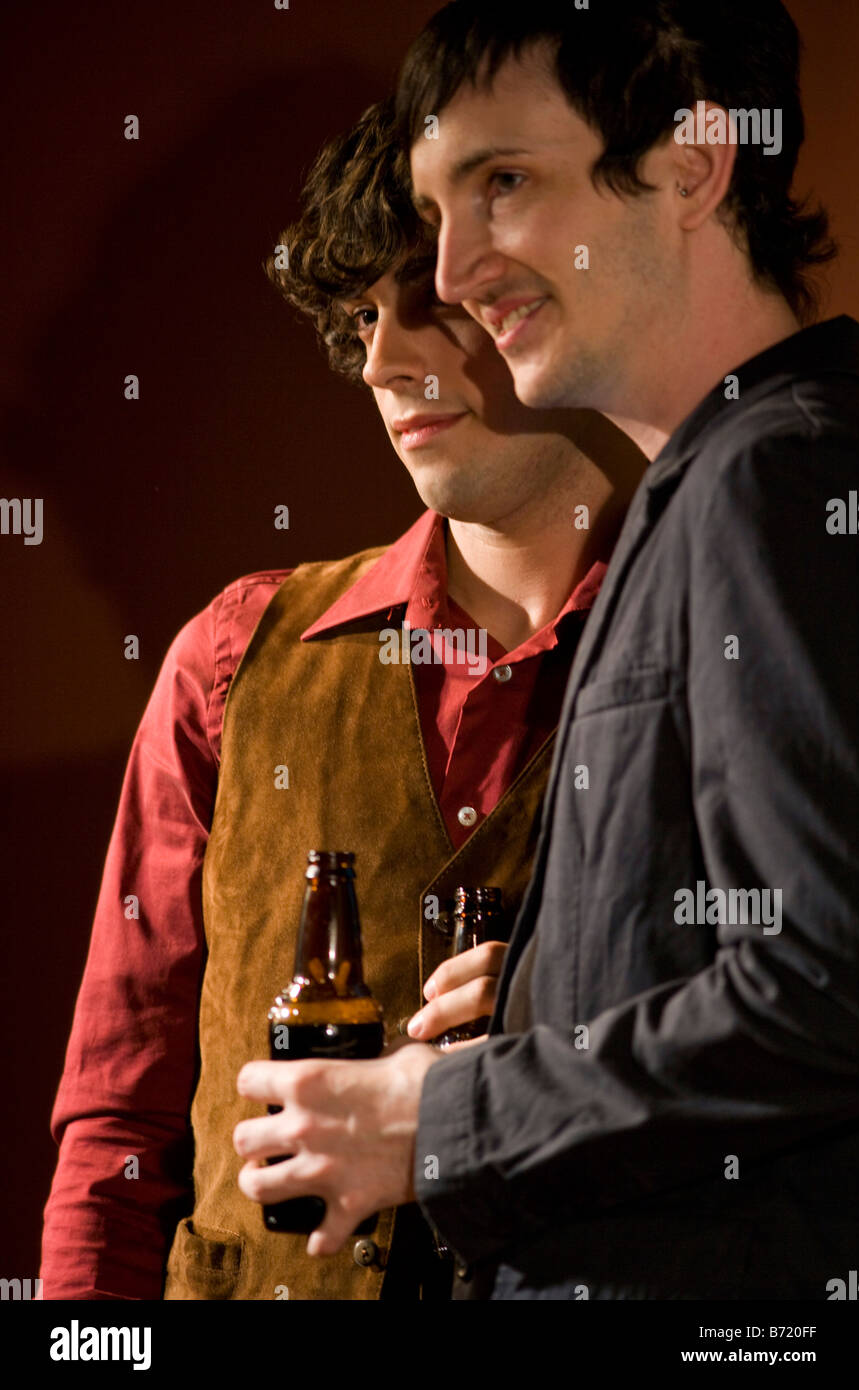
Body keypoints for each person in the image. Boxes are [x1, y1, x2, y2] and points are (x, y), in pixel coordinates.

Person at [234, 1, 859, 1301]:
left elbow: (830, 979)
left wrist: (446, 1116)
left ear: (693, 162)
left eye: (502, 183)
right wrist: (549, 986)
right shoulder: (724, 480)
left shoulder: (776, 473)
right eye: (438, 204)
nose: (454, 271)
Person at [39, 96, 645, 1300]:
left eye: (430, 299)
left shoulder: (725, 649)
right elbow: (118, 1121)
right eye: (362, 317)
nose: (381, 360)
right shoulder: (234, 656)